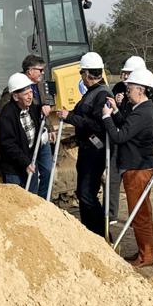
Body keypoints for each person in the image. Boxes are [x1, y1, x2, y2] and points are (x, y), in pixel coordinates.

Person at [102, 69, 153, 267]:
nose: (127, 91)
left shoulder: (143, 113)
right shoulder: (141, 110)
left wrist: (106, 118)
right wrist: (116, 112)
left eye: (130, 88)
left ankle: (146, 255)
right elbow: (127, 126)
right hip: (136, 167)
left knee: (139, 213)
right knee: (139, 212)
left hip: (138, 168)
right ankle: (144, 251)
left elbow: (120, 136)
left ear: (141, 90)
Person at [57, 52, 112, 237]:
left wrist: (70, 117)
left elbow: (97, 125)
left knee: (87, 194)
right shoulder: (92, 93)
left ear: (88, 74)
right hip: (87, 149)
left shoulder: (101, 94)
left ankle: (100, 234)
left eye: (82, 73)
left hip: (95, 151)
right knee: (84, 193)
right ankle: (90, 232)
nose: (82, 77)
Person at [0, 73, 50, 192]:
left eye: (31, 92)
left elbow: (40, 110)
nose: (29, 97)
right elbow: (9, 144)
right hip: (14, 167)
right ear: (15, 97)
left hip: (30, 162)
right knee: (17, 202)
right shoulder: (7, 115)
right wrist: (25, 163)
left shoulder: (32, 108)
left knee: (32, 198)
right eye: (25, 94)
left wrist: (44, 106)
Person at [22, 55, 54, 198]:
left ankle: (43, 201)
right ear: (29, 71)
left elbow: (44, 108)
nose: (42, 73)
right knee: (32, 173)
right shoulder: (17, 86)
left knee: (47, 170)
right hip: (28, 137)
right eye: (39, 70)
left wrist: (51, 128)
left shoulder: (41, 85)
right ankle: (32, 201)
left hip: (43, 134)